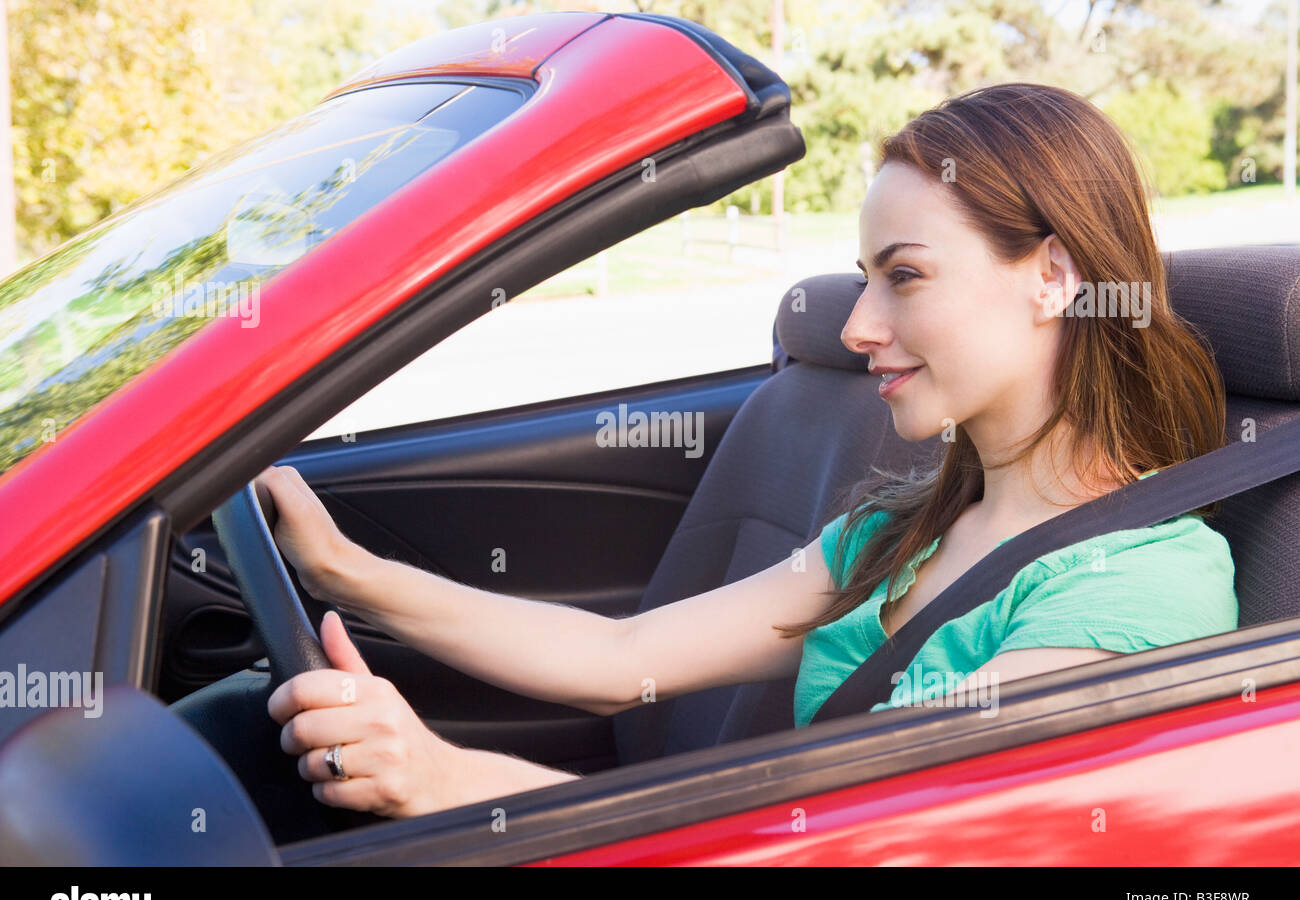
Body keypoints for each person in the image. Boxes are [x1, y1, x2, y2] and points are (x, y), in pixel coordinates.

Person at [260, 82, 1238, 819]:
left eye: (904, 276)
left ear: (1053, 277)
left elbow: (873, 845)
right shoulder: (897, 531)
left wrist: (446, 778)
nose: (858, 325)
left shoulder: (1136, 585)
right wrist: (346, 568)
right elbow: (619, 654)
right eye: (863, 279)